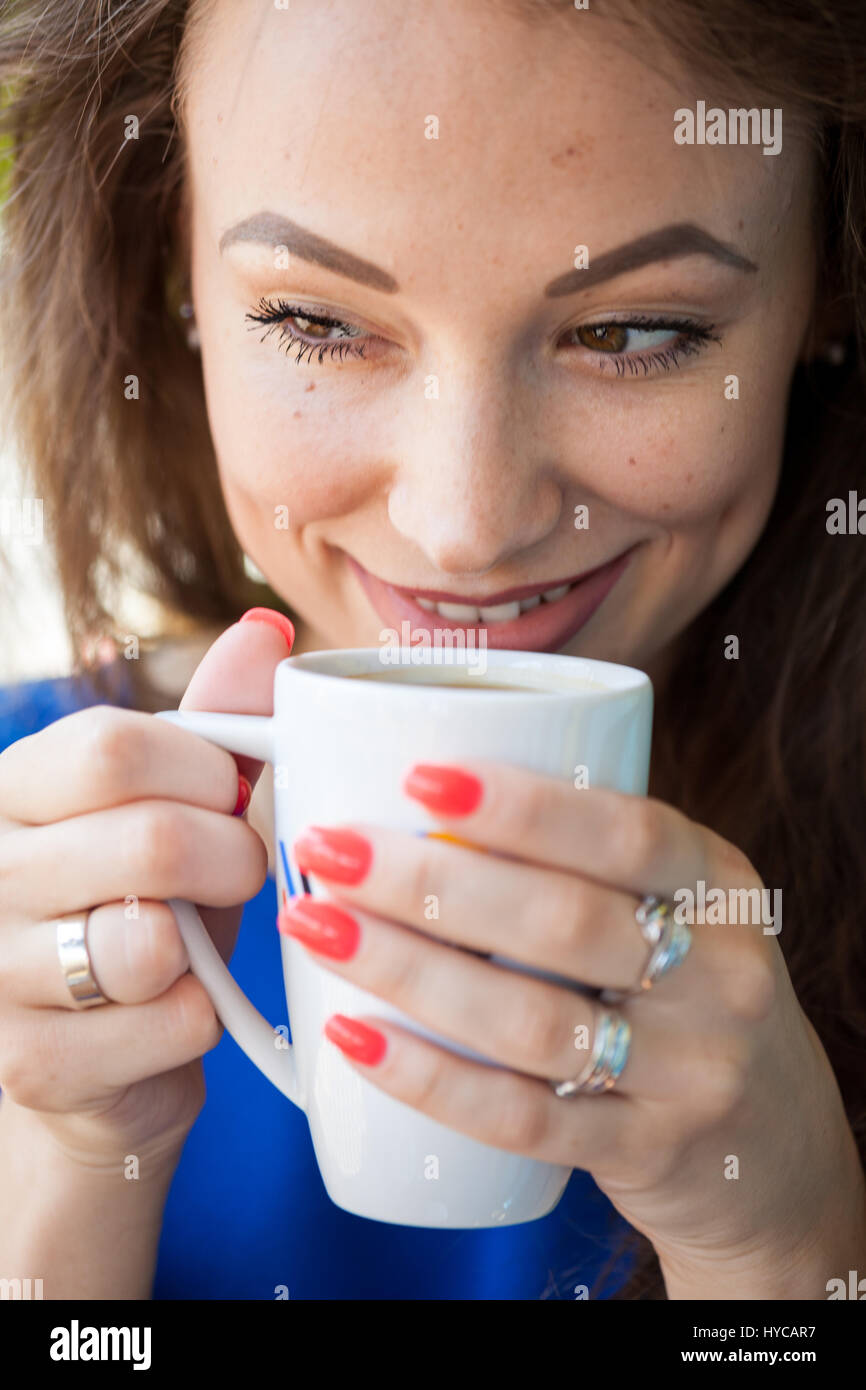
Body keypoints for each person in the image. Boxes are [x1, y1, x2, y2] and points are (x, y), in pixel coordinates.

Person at [0, 0, 864, 1301]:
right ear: (164, 271)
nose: (462, 528)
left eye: (630, 333)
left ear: (825, 295)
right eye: (315, 320)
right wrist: (64, 1182)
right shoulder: (31, 831)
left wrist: (782, 1256)